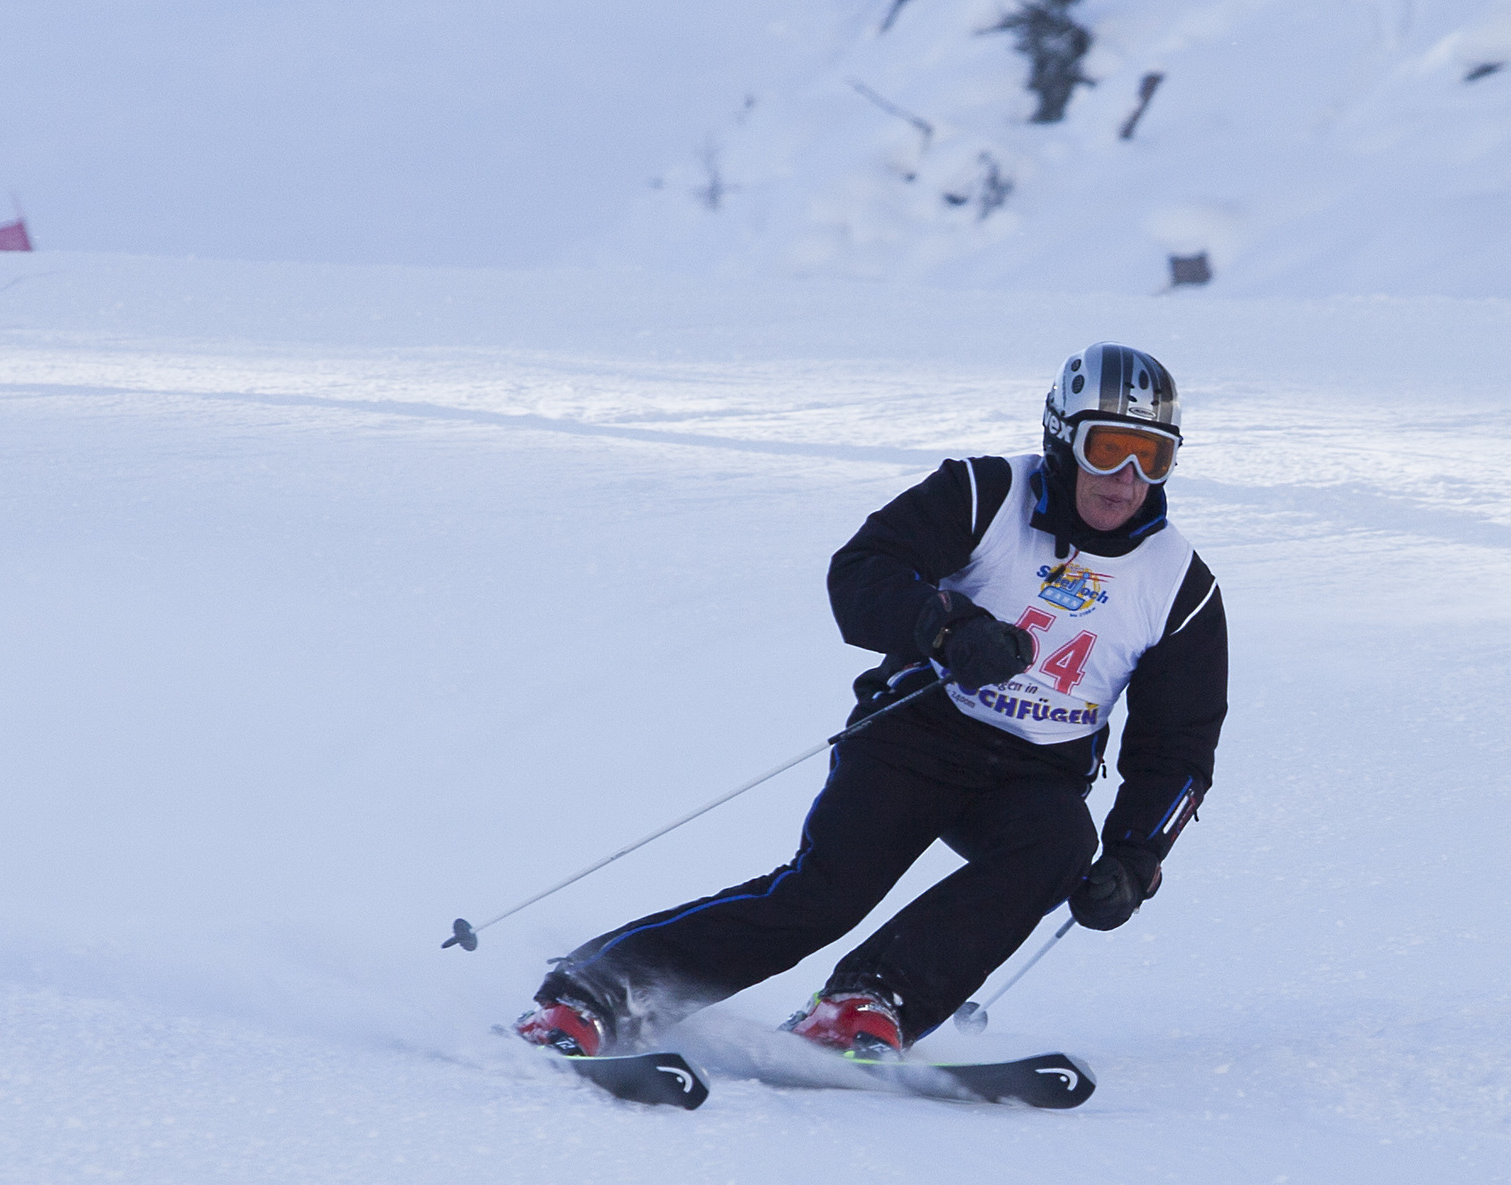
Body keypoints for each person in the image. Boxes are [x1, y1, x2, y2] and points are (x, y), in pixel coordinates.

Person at [515, 342, 1229, 1058]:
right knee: (825, 896)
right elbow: (863, 569)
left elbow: (1178, 743)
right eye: (1108, 450)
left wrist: (1136, 856)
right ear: (1061, 438)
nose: (1127, 480)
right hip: (914, 737)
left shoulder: (1178, 585)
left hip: (1034, 775)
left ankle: (870, 999)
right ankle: (599, 990)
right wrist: (946, 628)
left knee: (1061, 845)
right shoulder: (983, 494)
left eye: (1153, 458)